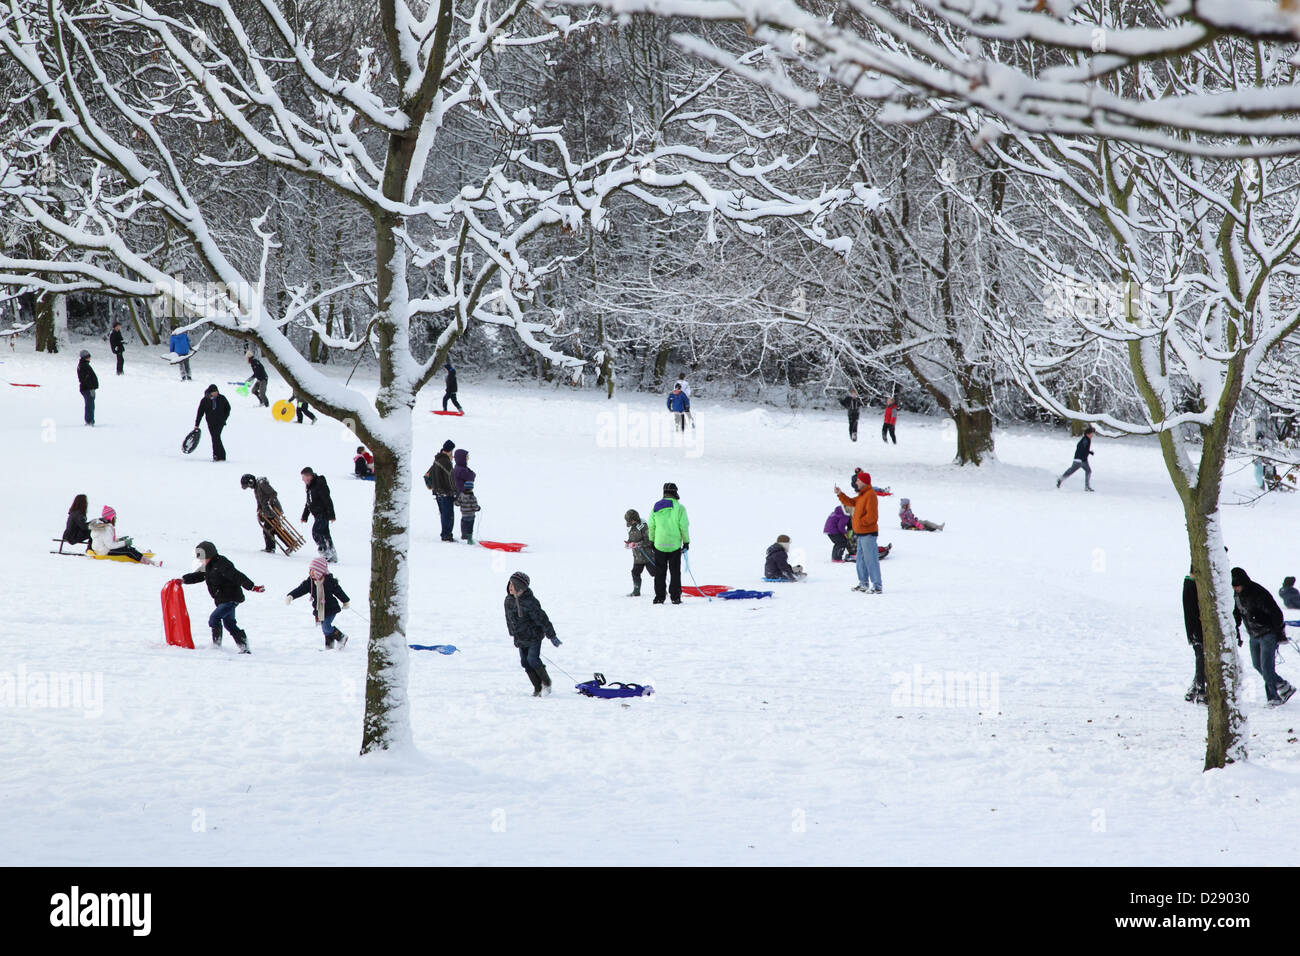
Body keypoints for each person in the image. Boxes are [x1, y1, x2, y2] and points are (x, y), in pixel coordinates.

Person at [179, 540, 264, 653]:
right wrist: (184, 580)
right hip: (222, 599)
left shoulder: (222, 564)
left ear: (209, 554)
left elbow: (237, 576)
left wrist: (252, 587)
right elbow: (199, 575)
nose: (200, 560)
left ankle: (216, 646)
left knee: (214, 619)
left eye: (202, 557)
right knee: (229, 624)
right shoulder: (208, 566)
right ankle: (244, 648)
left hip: (231, 598)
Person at [1232, 566, 1296, 707]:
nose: (1236, 589)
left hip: (1268, 634)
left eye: (1237, 586)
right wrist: (1235, 628)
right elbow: (1237, 612)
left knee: (1267, 667)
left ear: (1243, 582)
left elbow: (1277, 615)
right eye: (1234, 586)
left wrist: (1276, 631)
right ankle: (1283, 686)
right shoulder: (1237, 595)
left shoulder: (1258, 593)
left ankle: (1274, 698)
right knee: (1257, 665)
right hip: (1253, 635)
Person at [504, 571, 561, 697]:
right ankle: (537, 687)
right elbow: (509, 618)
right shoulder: (508, 600)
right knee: (525, 662)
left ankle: (546, 683)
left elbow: (542, 619)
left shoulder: (530, 602)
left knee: (532, 659)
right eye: (510, 584)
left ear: (521, 588)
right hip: (520, 637)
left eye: (513, 585)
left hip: (533, 636)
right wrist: (513, 632)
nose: (510, 587)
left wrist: (552, 636)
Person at [286, 556, 351, 649]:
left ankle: (342, 637)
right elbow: (301, 589)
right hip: (320, 609)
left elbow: (338, 591)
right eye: (310, 570)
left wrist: (345, 601)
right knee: (325, 629)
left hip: (331, 608)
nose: (311, 573)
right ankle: (329, 647)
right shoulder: (310, 582)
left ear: (320, 571)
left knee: (326, 627)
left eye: (314, 571)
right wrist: (291, 596)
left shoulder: (329, 581)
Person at [836, 470, 882, 593]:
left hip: (868, 534)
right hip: (861, 534)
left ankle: (877, 586)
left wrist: (859, 522)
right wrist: (840, 494)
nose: (856, 482)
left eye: (858, 480)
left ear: (864, 482)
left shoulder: (870, 495)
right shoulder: (862, 495)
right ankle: (863, 584)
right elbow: (851, 502)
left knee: (871, 560)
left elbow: (872, 517)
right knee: (860, 560)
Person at [648, 482, 690, 604]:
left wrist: (652, 540)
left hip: (659, 544)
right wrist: (686, 542)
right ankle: (675, 597)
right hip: (674, 545)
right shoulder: (680, 508)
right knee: (675, 571)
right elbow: (684, 526)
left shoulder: (656, 506)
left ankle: (659, 597)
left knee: (660, 572)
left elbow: (651, 525)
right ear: (675, 492)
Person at [89, 505, 161, 565]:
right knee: (128, 550)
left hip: (100, 550)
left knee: (126, 547)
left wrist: (120, 540)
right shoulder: (107, 528)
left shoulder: (102, 526)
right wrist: (125, 543)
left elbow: (106, 540)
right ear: (111, 517)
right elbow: (110, 545)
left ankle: (142, 556)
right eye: (115, 516)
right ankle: (151, 563)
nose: (116, 518)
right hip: (104, 551)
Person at [300, 467, 338, 562]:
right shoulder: (310, 487)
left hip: (323, 513)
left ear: (309, 476)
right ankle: (332, 554)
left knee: (316, 532)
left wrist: (331, 515)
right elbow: (308, 503)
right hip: (317, 514)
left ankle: (325, 552)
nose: (302, 479)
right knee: (325, 534)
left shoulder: (319, 484)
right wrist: (305, 516)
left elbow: (327, 500)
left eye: (303, 477)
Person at [241, 473, 286, 553]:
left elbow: (273, 493)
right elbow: (260, 502)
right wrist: (259, 511)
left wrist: (270, 502)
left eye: (249, 486)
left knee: (269, 529)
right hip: (268, 512)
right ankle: (273, 547)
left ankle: (271, 548)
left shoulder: (262, 484)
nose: (250, 488)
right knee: (274, 529)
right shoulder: (256, 488)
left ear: (251, 482)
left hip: (273, 511)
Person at [1182, 566, 1207, 704]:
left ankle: (1195, 689)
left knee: (1201, 659)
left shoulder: (1189, 584)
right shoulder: (1192, 585)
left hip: (1194, 631)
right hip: (1197, 631)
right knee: (1201, 659)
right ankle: (1199, 689)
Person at [424, 440, 457, 542]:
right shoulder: (446, 462)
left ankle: (445, 534)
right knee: (448, 515)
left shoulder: (437, 460)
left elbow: (428, 474)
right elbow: (450, 479)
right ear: (450, 450)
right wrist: (455, 491)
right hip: (446, 492)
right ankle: (447, 535)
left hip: (438, 492)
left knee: (444, 514)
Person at [194, 384, 231, 461]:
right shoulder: (204, 400)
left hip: (220, 422)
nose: (216, 393)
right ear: (211, 392)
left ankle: (218, 455)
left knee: (216, 436)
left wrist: (224, 418)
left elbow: (228, 408)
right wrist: (197, 424)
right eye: (215, 391)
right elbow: (200, 413)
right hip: (210, 422)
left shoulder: (222, 398)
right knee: (215, 438)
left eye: (217, 391)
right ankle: (218, 455)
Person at [624, 508, 655, 597]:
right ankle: (636, 591)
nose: (631, 522)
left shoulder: (643, 525)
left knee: (655, 573)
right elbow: (632, 538)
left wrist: (637, 544)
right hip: (637, 557)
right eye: (629, 520)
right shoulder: (629, 526)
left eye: (632, 520)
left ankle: (662, 590)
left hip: (648, 555)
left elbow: (648, 541)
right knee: (635, 572)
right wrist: (629, 543)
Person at [1056, 426, 1096, 491]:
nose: (1092, 435)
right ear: (1087, 434)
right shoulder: (1085, 440)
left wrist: (1089, 452)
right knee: (1071, 470)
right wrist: (1089, 452)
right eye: (1091, 433)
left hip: (1083, 460)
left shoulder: (1087, 439)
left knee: (1088, 471)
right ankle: (1060, 479)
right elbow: (1082, 448)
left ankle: (1087, 487)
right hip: (1079, 460)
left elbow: (1084, 449)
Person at [77, 350, 98, 426]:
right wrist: (91, 388)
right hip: (87, 389)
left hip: (87, 388)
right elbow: (85, 379)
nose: (89, 358)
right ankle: (89, 421)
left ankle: (89, 420)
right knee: (90, 405)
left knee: (90, 405)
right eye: (88, 356)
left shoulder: (84, 365)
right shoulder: (83, 366)